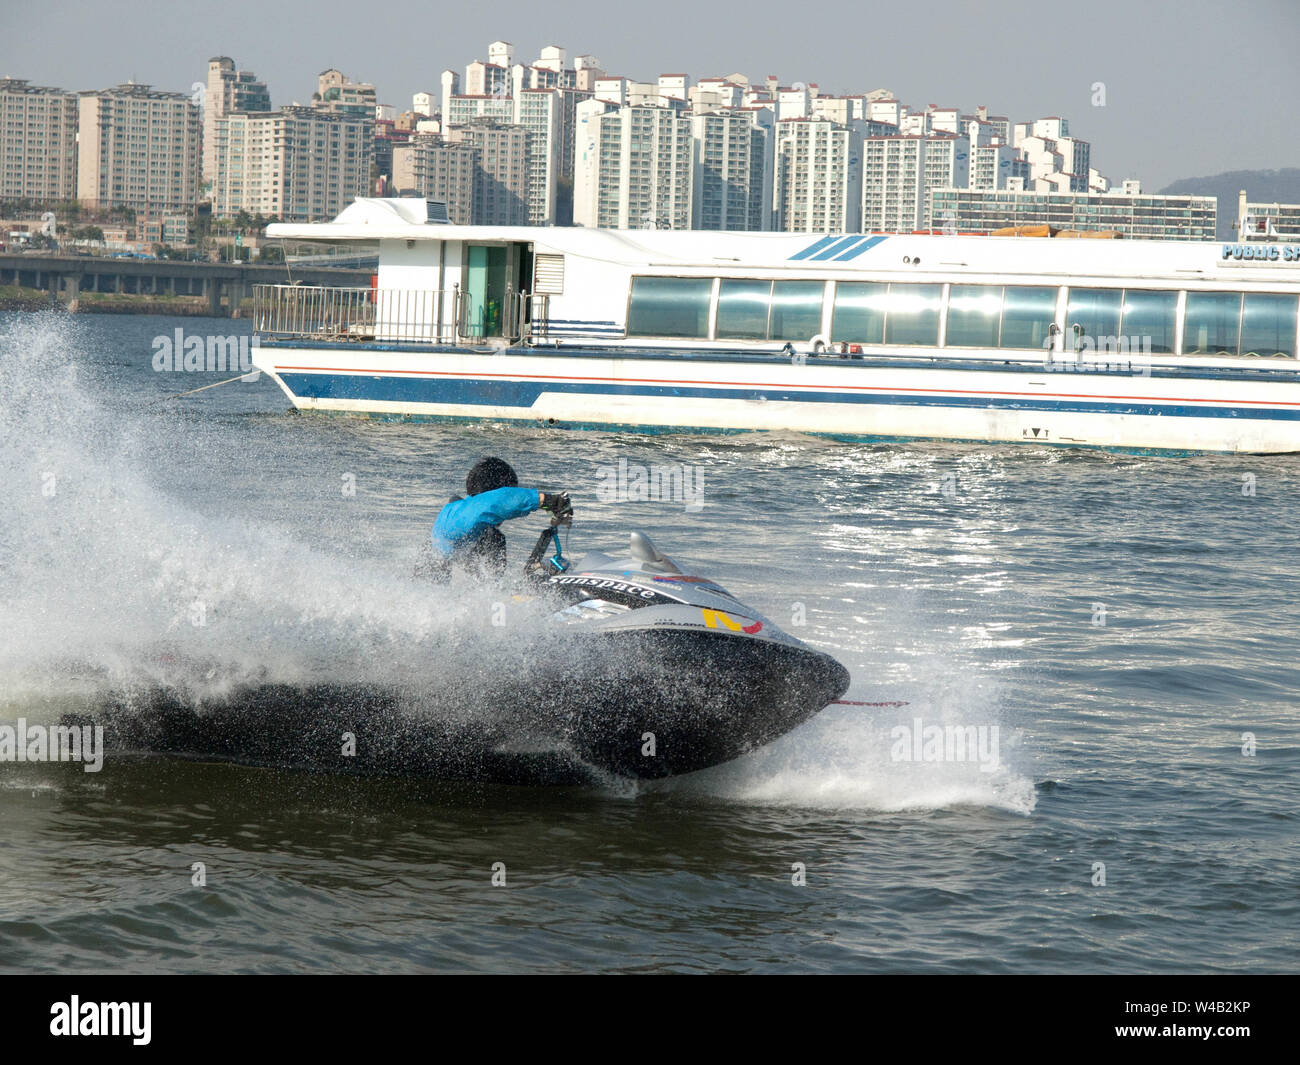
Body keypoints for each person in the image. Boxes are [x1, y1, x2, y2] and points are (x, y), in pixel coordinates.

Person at [418, 457, 571, 581]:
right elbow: (498, 500)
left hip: (435, 595)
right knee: (494, 537)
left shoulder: (457, 511)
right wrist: (549, 501)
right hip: (429, 597)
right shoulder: (468, 513)